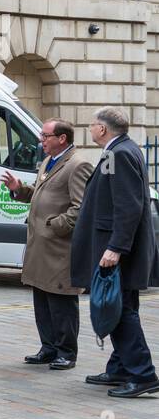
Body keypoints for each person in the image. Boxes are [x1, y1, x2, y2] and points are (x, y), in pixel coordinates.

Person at [70, 107, 159, 398]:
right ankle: (120, 366)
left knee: (120, 311)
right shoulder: (123, 149)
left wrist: (115, 248)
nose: (90, 129)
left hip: (117, 250)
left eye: (93, 124)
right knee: (121, 306)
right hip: (118, 247)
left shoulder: (118, 154)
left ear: (103, 129)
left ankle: (143, 374)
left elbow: (128, 206)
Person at [0, 119, 94, 370]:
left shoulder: (78, 164)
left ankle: (66, 352)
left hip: (58, 246)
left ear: (62, 138)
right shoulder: (48, 161)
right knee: (41, 297)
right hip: (40, 245)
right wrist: (19, 190)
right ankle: (49, 347)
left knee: (60, 299)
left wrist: (54, 226)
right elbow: (41, 194)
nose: (41, 140)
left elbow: (81, 207)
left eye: (45, 136)